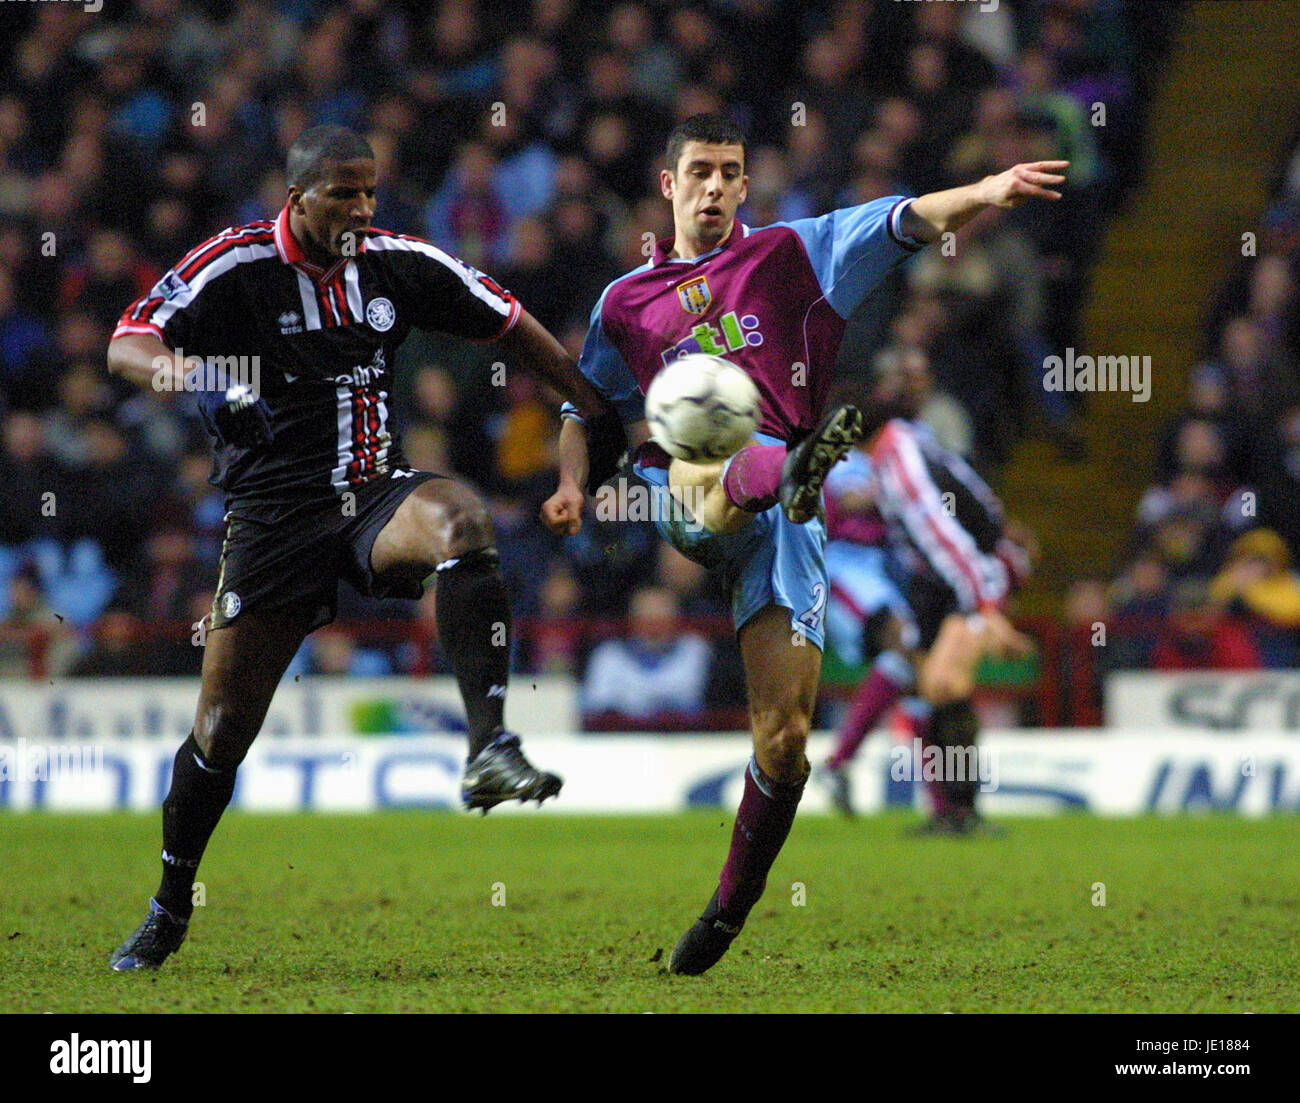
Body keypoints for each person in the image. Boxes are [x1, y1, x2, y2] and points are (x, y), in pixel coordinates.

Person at [541, 113, 1067, 974]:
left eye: (730, 173)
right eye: (699, 171)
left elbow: (905, 220)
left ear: (746, 186)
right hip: (689, 482)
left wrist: (986, 190)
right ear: (667, 185)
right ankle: (778, 470)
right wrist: (570, 484)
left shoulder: (796, 253)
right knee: (705, 459)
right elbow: (583, 409)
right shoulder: (624, 303)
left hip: (789, 514)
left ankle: (725, 911)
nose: (715, 187)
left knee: (784, 740)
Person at [104, 125, 616, 972]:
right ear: (297, 195)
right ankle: (168, 905)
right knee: (221, 731)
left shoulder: (395, 261)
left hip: (375, 494)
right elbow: (130, 344)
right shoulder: (233, 265)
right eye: (344, 193)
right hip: (273, 516)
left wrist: (596, 410)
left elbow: (514, 326)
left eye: (371, 192)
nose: (362, 209)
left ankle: (489, 745)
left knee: (461, 518)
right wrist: (201, 378)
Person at [822, 356, 1037, 831]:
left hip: (964, 577)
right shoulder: (901, 444)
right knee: (927, 686)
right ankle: (952, 810)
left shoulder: (899, 466)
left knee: (941, 687)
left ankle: (960, 808)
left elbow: (948, 540)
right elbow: (970, 491)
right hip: (937, 583)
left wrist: (984, 604)